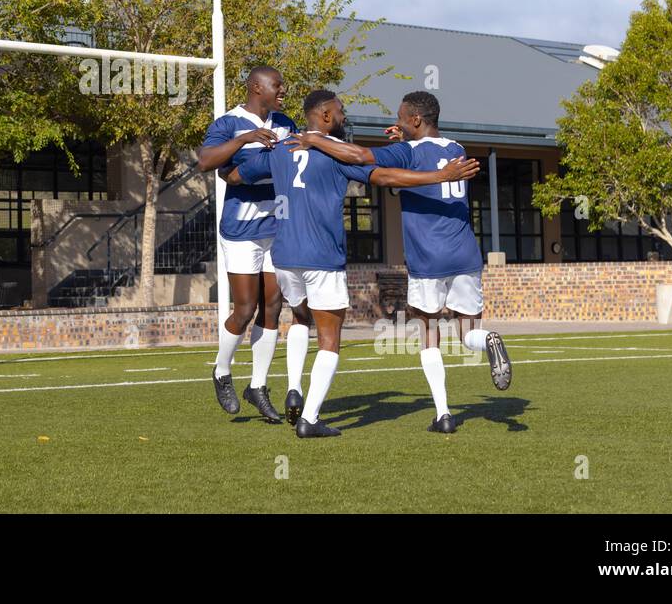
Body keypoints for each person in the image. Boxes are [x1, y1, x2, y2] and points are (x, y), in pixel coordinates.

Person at [227, 90, 480, 438]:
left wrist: (236, 146)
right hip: (322, 257)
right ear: (327, 116)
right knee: (329, 338)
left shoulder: (281, 149)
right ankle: (310, 418)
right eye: (341, 112)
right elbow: (384, 177)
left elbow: (235, 175)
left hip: (283, 256)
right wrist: (441, 175)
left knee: (299, 317)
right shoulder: (334, 154)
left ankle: (293, 387)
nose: (345, 117)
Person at [288, 90, 512, 435]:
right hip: (466, 254)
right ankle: (490, 340)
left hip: (428, 257)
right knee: (469, 334)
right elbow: (421, 152)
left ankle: (443, 414)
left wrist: (314, 141)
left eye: (401, 117)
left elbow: (362, 156)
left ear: (416, 120)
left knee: (429, 333)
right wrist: (404, 137)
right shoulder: (457, 149)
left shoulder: (406, 151)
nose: (397, 122)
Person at [196, 66, 298, 422]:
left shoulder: (286, 122)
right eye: (277, 84)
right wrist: (245, 140)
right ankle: (222, 370)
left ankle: (258, 386)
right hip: (242, 229)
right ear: (257, 87)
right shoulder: (228, 123)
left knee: (272, 305)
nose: (282, 90)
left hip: (277, 226)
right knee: (244, 308)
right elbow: (206, 162)